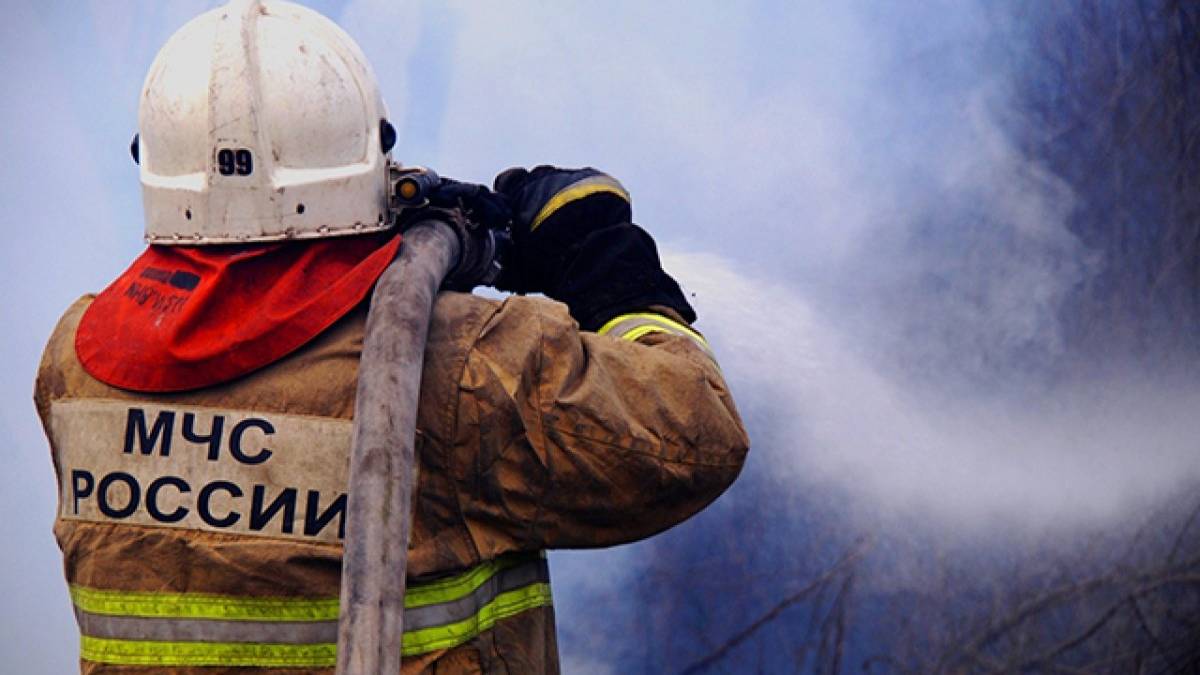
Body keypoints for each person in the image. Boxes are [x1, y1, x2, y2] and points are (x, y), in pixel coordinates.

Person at [34, 1, 749, 672]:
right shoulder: (460, 368)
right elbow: (696, 433)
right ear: (371, 154)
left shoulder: (75, 364)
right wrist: (603, 264)